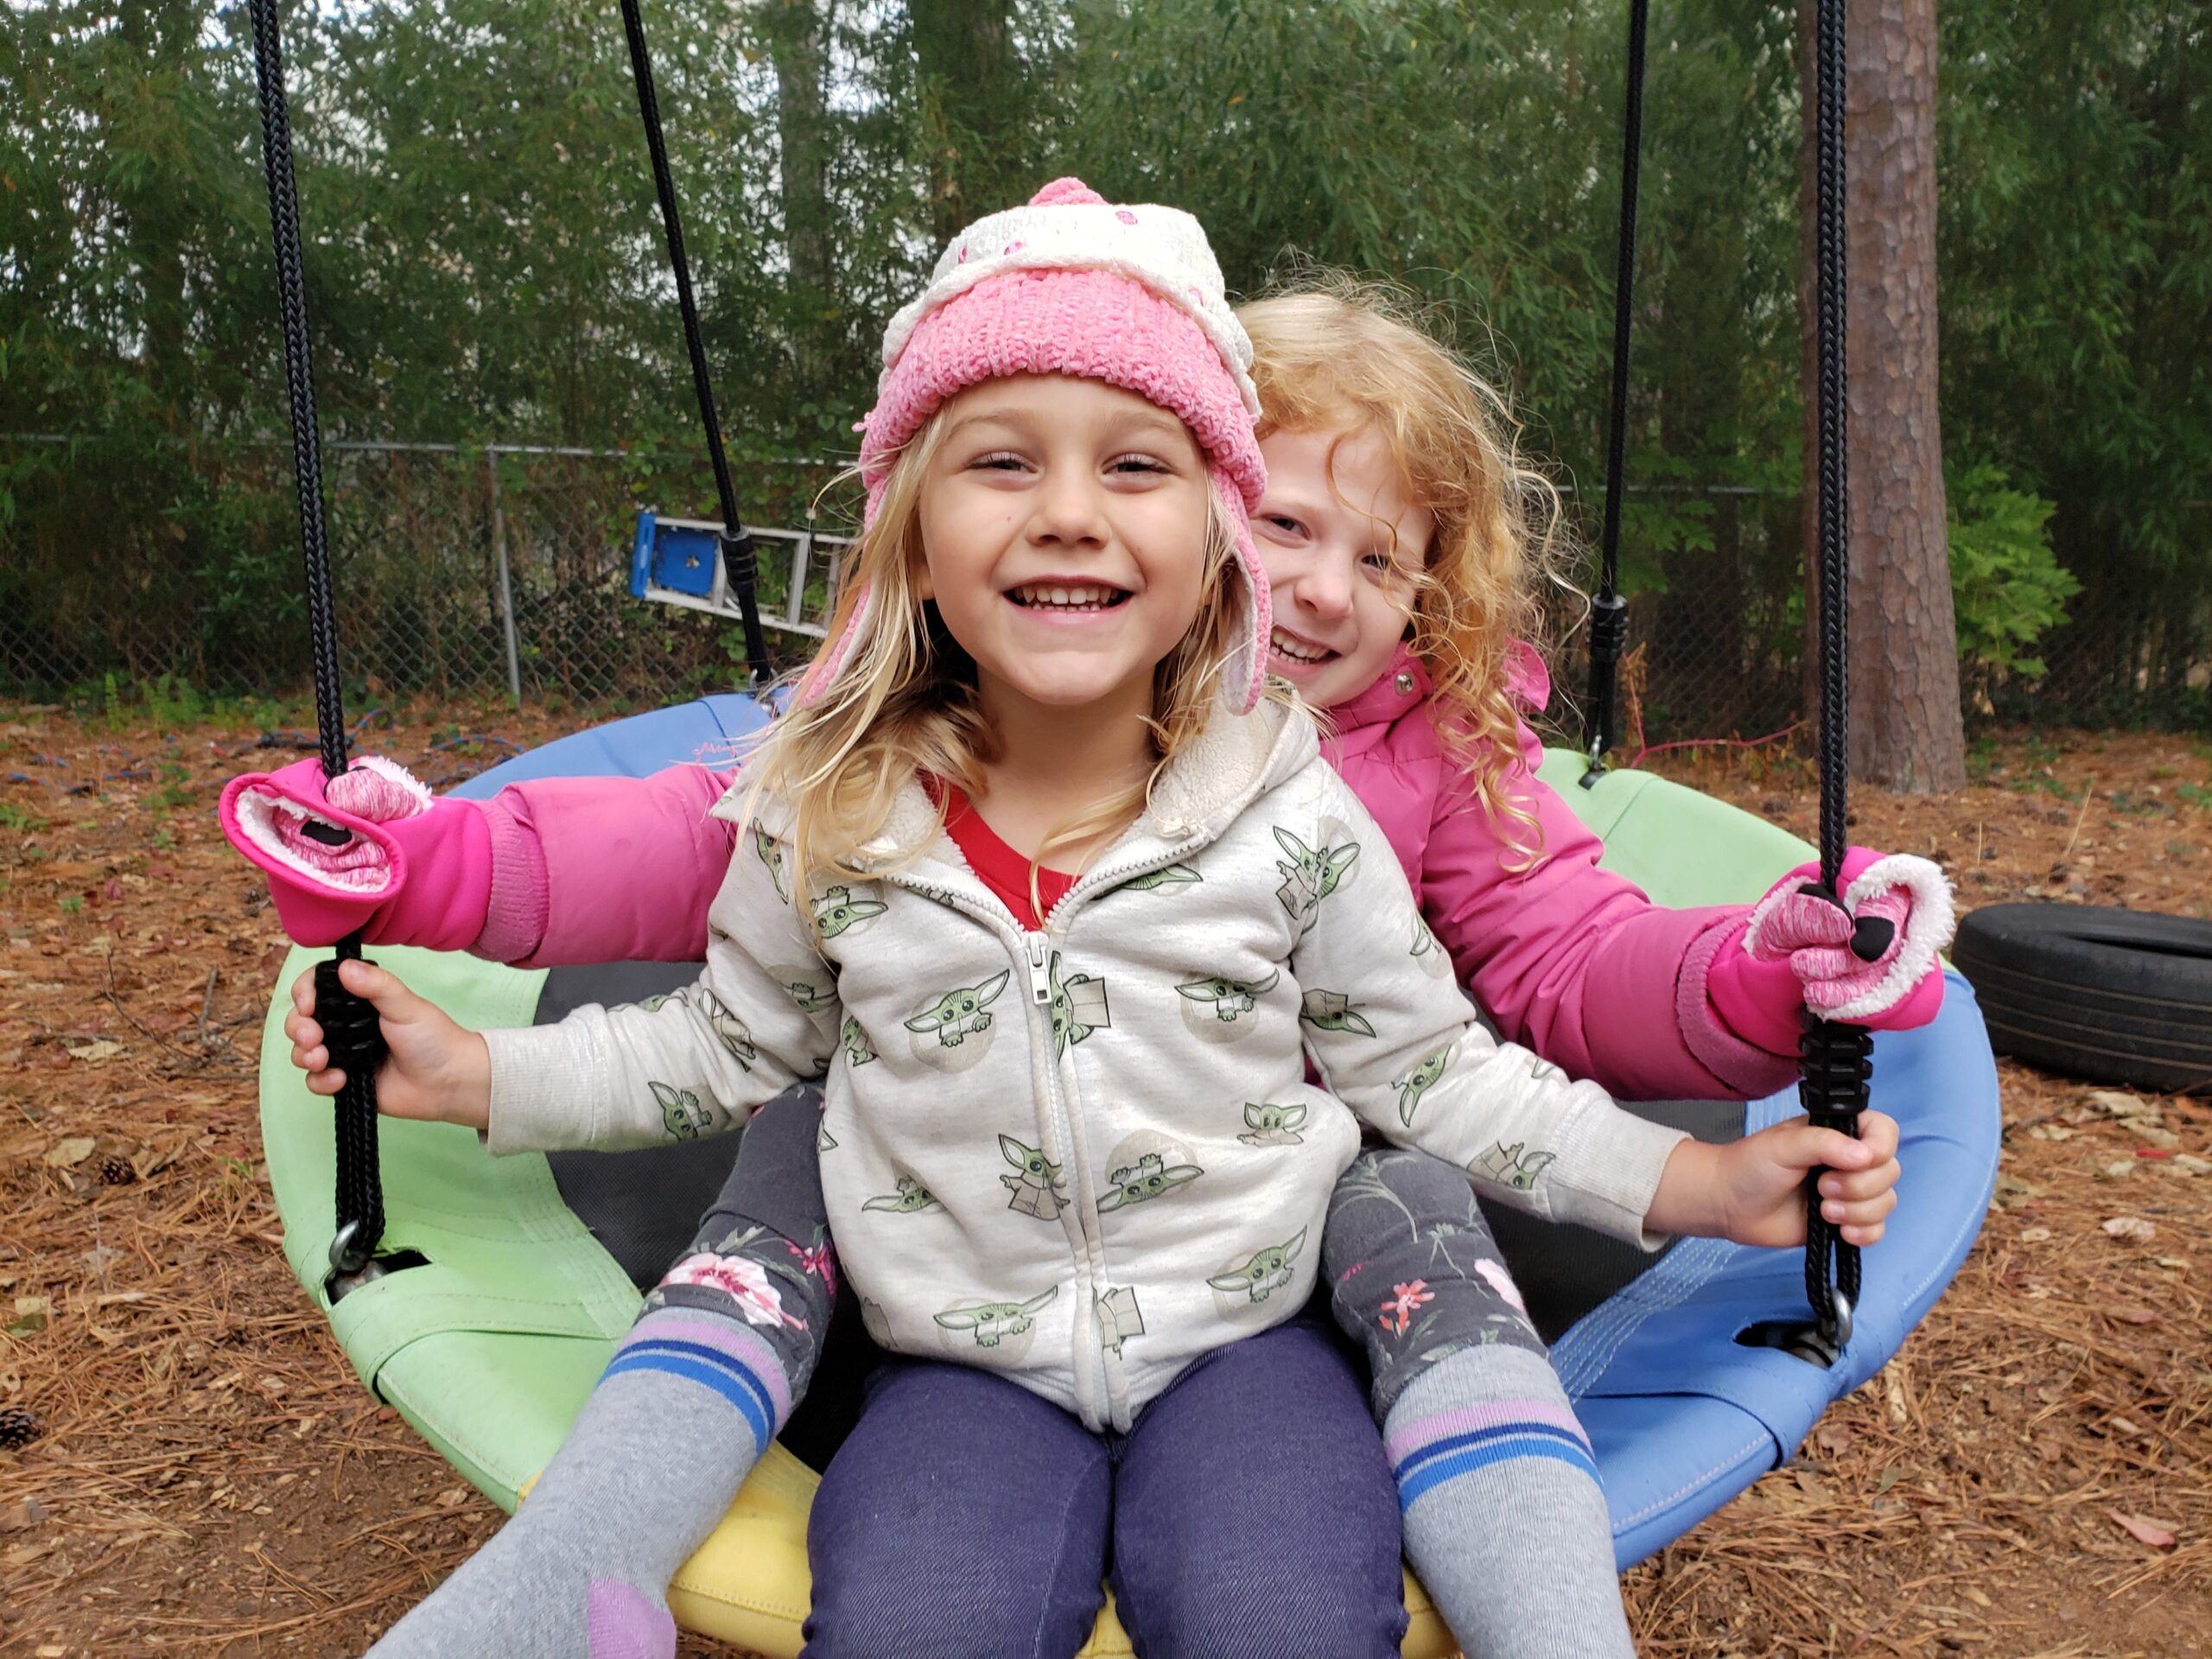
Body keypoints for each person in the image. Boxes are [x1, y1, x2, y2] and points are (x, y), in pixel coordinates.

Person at [229, 205, 1940, 1658]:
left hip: (1249, 1282)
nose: (1326, 587)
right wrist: (447, 951)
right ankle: (577, 1562)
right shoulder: (842, 790)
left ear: (1199, 548)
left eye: (1383, 556)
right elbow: (697, 975)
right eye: (1287, 521)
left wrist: (1723, 1089)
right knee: (854, 1384)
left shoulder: (1333, 799)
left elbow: (1494, 1022)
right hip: (955, 1312)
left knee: (1351, 1370)